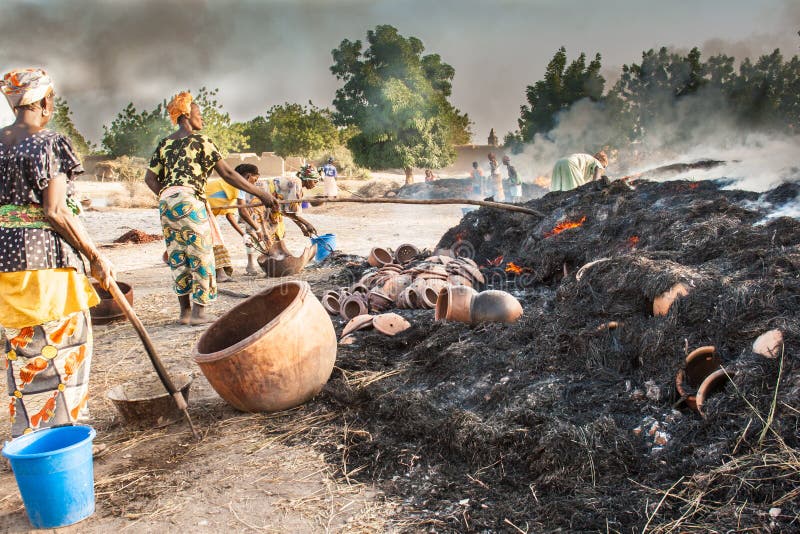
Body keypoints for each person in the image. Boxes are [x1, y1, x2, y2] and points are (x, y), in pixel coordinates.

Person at [0, 68, 115, 438]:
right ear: (45, 101)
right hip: (45, 266)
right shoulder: (49, 142)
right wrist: (95, 254)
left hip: (7, 266)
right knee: (66, 349)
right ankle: (64, 434)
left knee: (23, 354)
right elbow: (56, 211)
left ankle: (27, 432)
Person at [144, 91, 276, 326]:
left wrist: (169, 195)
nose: (202, 120)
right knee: (201, 256)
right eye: (199, 114)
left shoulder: (165, 144)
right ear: (186, 115)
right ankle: (198, 314)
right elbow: (227, 173)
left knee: (178, 255)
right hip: (190, 201)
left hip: (167, 204)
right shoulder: (202, 141)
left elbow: (150, 179)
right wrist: (262, 194)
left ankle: (184, 312)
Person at [205, 176, 263, 278]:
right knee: (216, 241)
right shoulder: (238, 187)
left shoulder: (229, 188)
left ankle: (219, 274)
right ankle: (220, 275)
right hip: (203, 212)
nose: (256, 181)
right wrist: (258, 229)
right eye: (255, 178)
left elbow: (229, 215)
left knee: (213, 240)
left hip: (206, 213)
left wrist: (244, 235)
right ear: (248, 176)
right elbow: (243, 212)